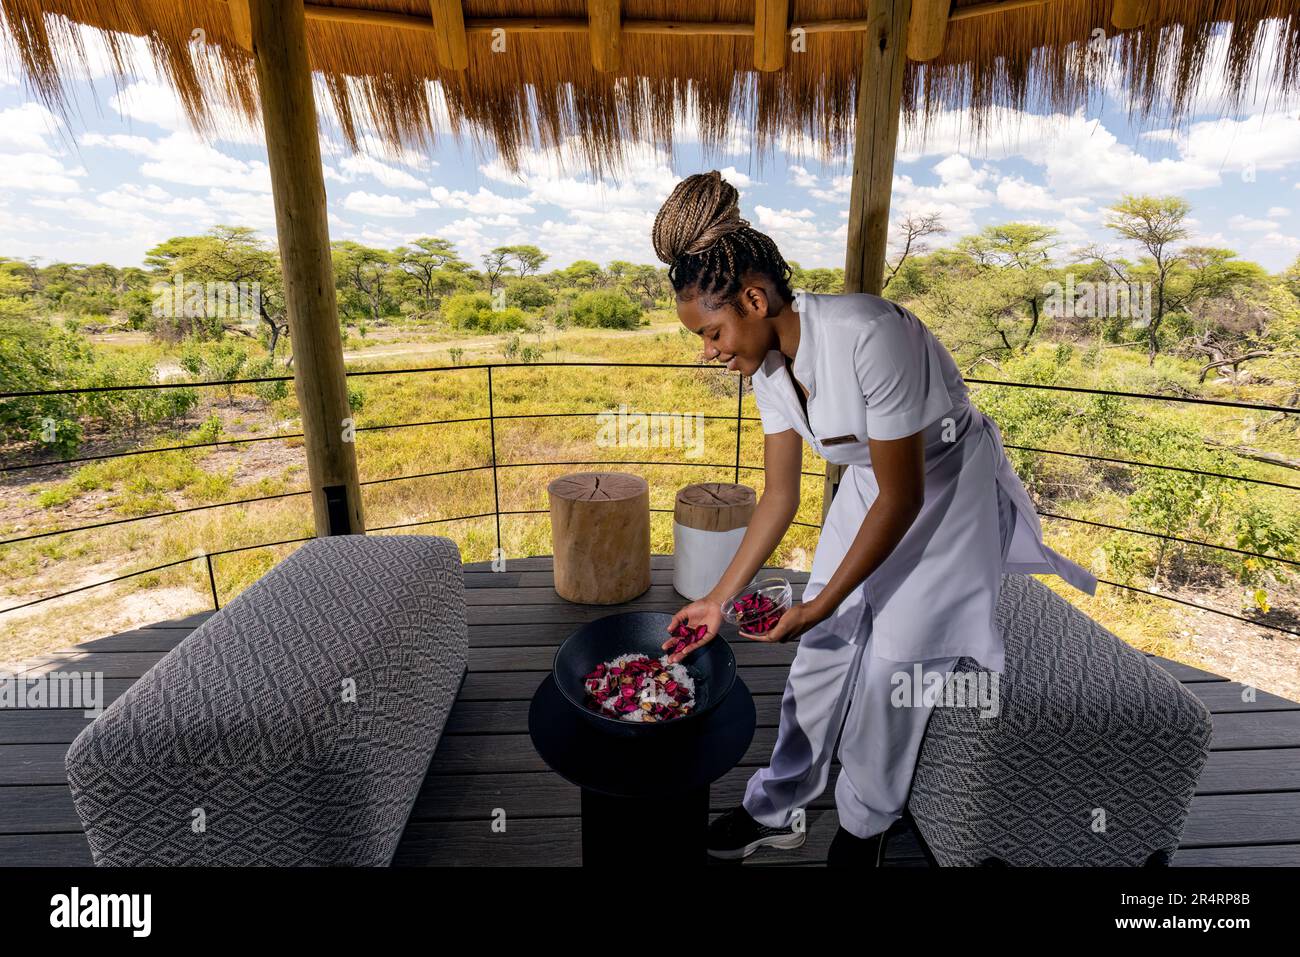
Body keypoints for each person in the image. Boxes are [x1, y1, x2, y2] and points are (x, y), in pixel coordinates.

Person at [653, 170, 1098, 866]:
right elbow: (779, 496)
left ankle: (865, 827)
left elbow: (906, 497)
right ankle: (778, 805)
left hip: (947, 491)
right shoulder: (770, 370)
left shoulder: (870, 334)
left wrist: (822, 598)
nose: (708, 351)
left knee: (895, 666)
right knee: (820, 652)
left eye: (711, 332)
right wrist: (717, 598)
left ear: (754, 297)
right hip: (876, 482)